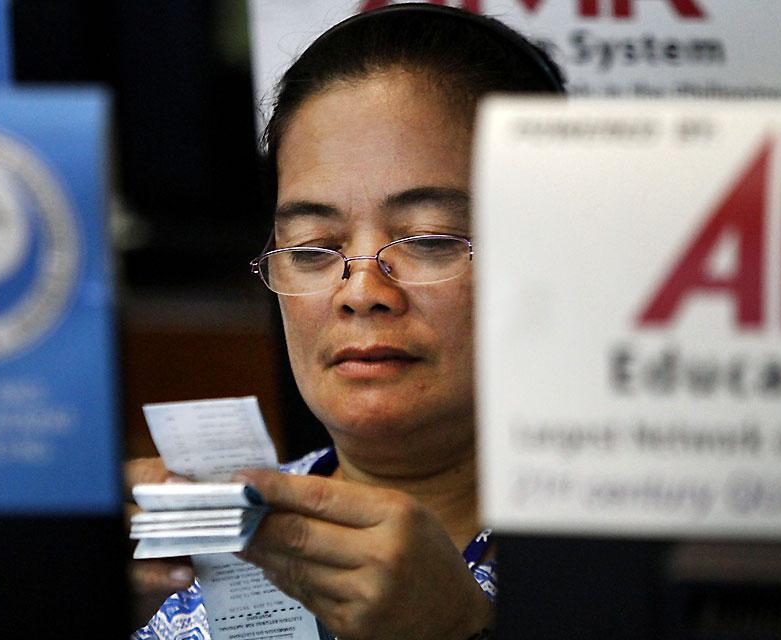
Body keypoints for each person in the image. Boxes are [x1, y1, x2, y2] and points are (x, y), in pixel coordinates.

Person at [129, 4, 565, 639]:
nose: (361, 291)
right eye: (310, 248)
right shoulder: (194, 555)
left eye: (428, 238)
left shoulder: (633, 569)